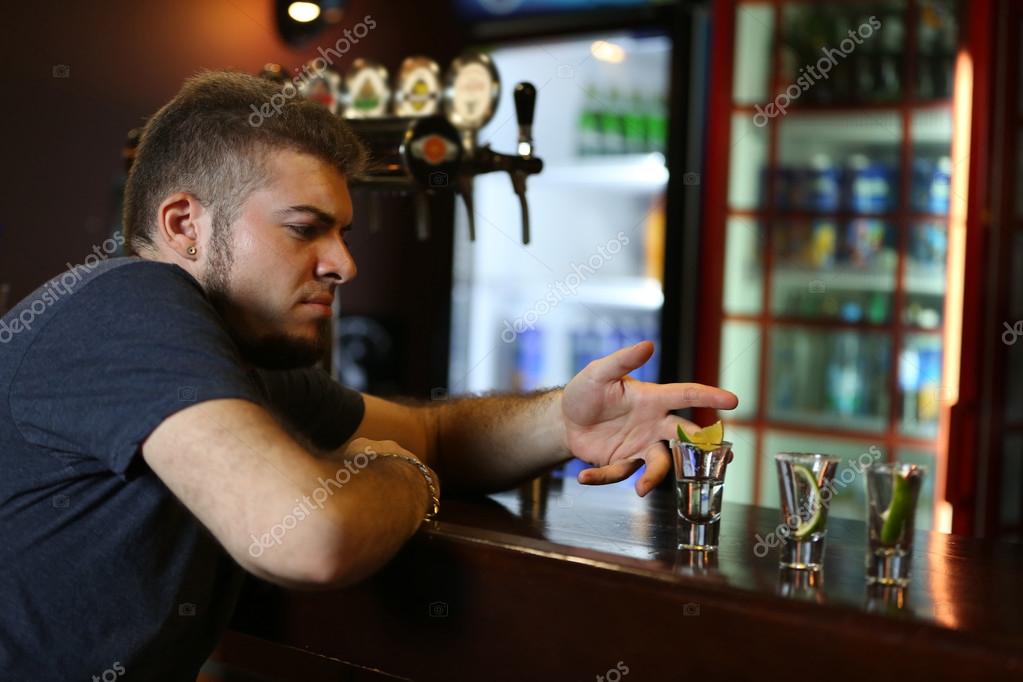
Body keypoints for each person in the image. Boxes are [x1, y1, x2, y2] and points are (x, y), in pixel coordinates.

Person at [0, 71, 737, 680]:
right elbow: (308, 539)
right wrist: (400, 475)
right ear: (183, 225)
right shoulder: (126, 303)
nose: (342, 264)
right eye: (304, 228)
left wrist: (562, 421)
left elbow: (431, 433)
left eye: (342, 232)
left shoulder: (233, 362)